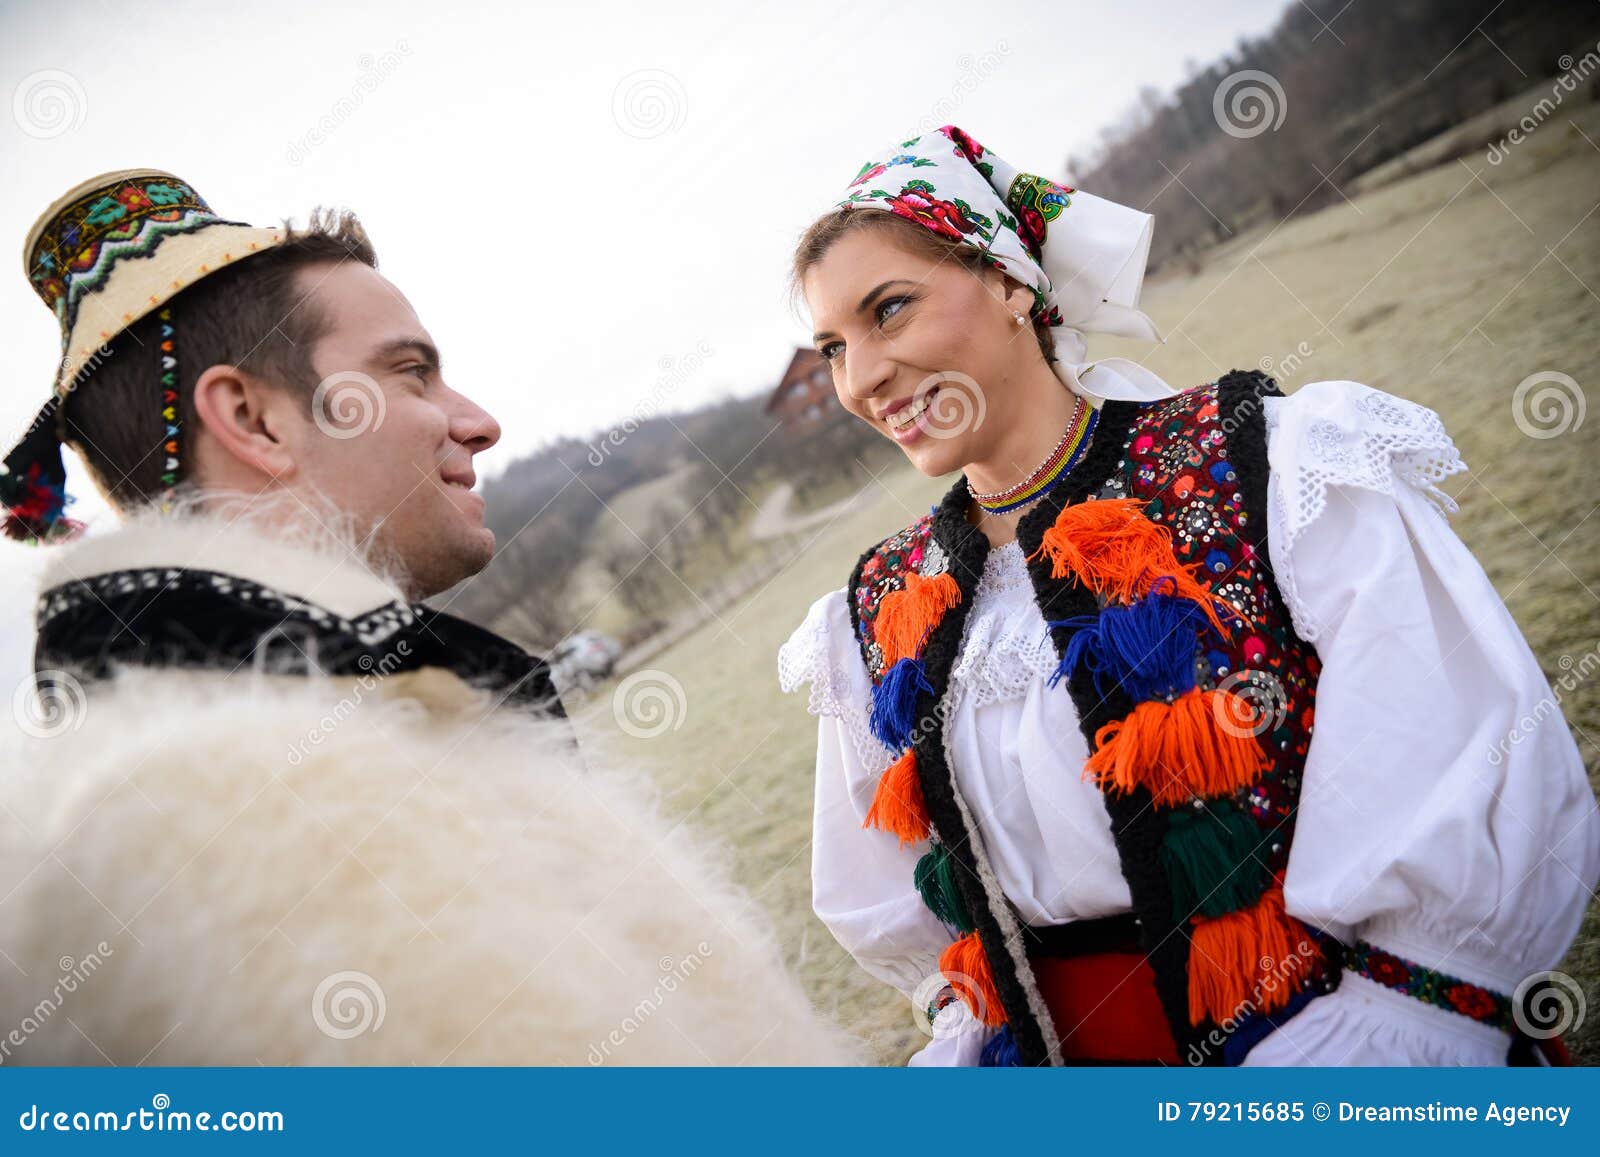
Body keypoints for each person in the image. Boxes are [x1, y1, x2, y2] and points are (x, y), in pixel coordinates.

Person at [777, 125, 1599, 1066]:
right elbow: (908, 922)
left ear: (1010, 282)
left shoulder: (1267, 465)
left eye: (890, 310)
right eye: (833, 347)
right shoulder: (877, 610)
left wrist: (1385, 1036)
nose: (862, 378)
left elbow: (1448, 747)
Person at [0, 169, 856, 1065]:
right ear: (254, 419)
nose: (478, 422)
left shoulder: (308, 743)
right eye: (410, 372)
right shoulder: (246, 812)